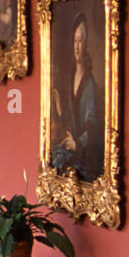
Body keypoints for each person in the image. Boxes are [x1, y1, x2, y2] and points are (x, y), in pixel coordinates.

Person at [51, 12, 103, 181]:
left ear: (85, 44)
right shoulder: (72, 77)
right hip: (72, 145)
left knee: (60, 164)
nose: (77, 46)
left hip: (85, 153)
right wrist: (60, 107)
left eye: (80, 41)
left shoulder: (89, 84)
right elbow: (73, 117)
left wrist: (77, 143)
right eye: (75, 40)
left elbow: (93, 127)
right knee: (53, 160)